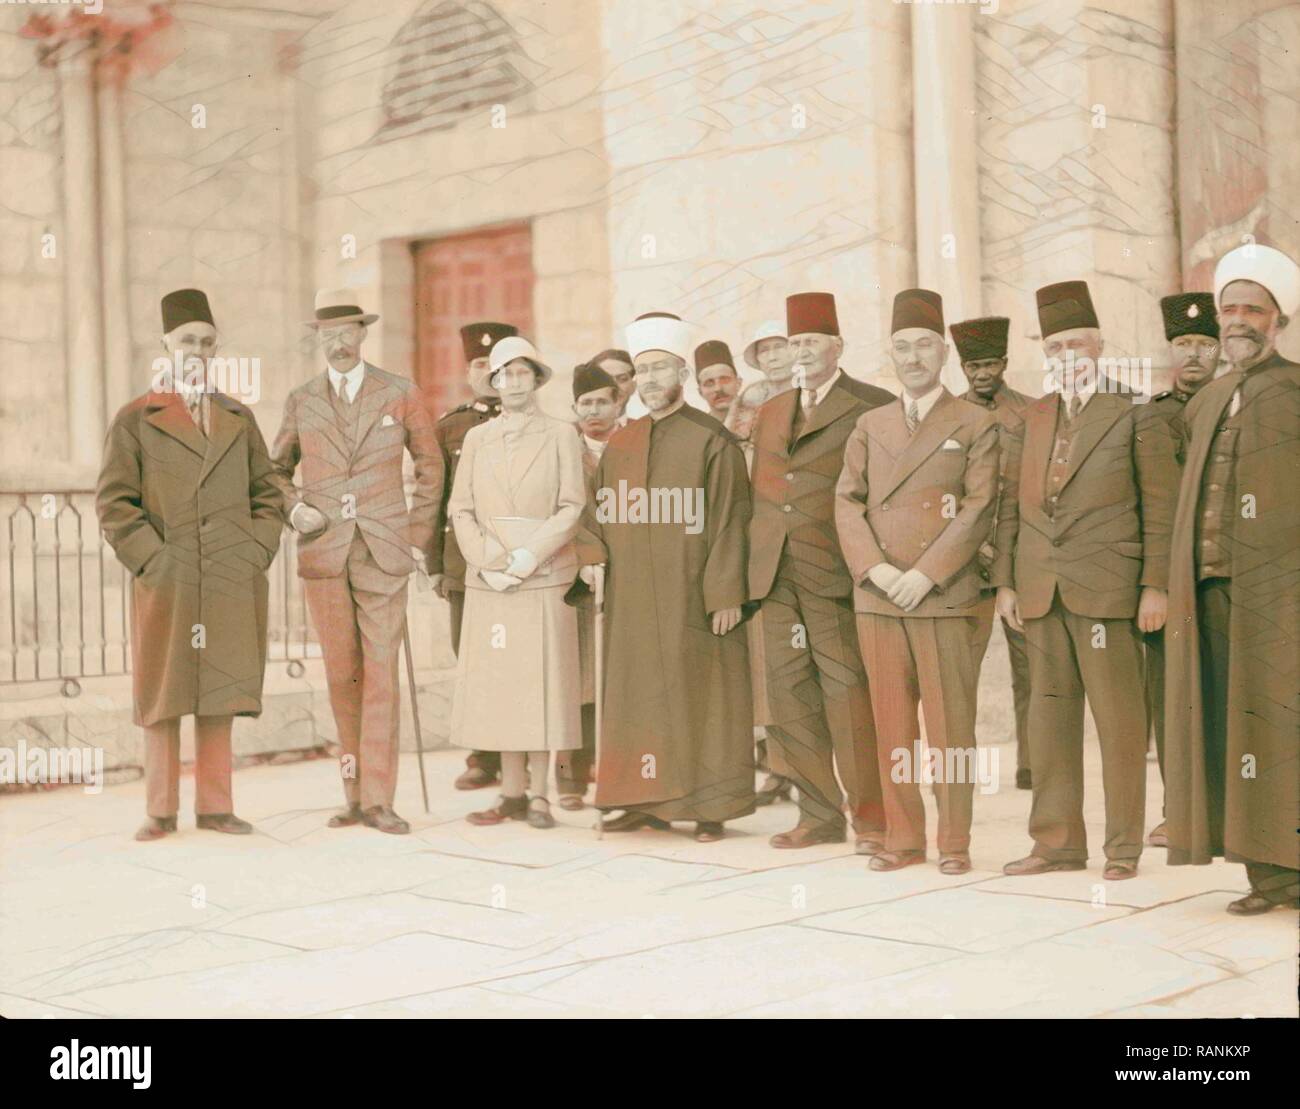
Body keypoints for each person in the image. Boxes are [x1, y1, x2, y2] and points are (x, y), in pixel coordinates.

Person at [994, 280, 1178, 880]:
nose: (1068, 357)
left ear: (1099, 348)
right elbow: (1009, 508)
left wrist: (1156, 587)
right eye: (1056, 347)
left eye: (1077, 344)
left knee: (1121, 725)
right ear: (1046, 356)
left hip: (1109, 594)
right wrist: (1007, 584)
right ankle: (1056, 843)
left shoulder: (1135, 411)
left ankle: (1122, 847)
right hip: (1041, 593)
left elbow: (1161, 508)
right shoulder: (1031, 417)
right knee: (1048, 725)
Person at [97, 288, 283, 841]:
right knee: (162, 692)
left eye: (206, 342)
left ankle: (216, 806)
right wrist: (152, 561)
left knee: (220, 687)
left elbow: (267, 494)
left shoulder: (238, 417)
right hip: (169, 577)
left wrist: (255, 552)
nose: (196, 351)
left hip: (229, 575)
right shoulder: (136, 418)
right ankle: (159, 809)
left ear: (215, 349)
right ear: (166, 346)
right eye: (186, 341)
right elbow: (114, 504)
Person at [570, 311, 755, 843]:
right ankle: (640, 800)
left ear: (680, 374)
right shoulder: (624, 443)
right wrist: (591, 554)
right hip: (630, 597)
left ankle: (707, 806)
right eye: (642, 370)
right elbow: (596, 513)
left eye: (660, 369)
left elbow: (730, 520)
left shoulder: (711, 440)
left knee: (700, 695)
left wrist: (725, 595)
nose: (649, 380)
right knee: (639, 696)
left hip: (691, 595)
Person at [835, 289, 1000, 874]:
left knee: (950, 728)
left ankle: (954, 843)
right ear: (891, 354)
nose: (913, 357)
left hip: (944, 596)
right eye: (902, 347)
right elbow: (845, 502)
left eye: (925, 346)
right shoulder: (869, 423)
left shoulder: (976, 422)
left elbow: (980, 507)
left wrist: (926, 574)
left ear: (944, 352)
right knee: (892, 725)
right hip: (879, 598)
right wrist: (877, 570)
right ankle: (903, 840)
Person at [270, 289, 443, 835]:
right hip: (325, 553)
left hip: (383, 551)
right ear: (318, 340)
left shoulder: (400, 392)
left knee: (380, 675)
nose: (338, 343)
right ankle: (351, 792)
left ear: (363, 335)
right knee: (342, 674)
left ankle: (379, 799)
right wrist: (295, 510)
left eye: (346, 333)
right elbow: (274, 471)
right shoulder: (301, 399)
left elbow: (431, 466)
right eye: (327, 335)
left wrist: (414, 535)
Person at [1164, 244, 1300, 915]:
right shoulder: (1208, 398)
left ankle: (1290, 869)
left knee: (1280, 730)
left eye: (1254, 309)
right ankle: (1263, 874)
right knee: (1231, 732)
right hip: (1212, 592)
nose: (1239, 320)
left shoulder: (1296, 389)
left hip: (1281, 599)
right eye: (1231, 309)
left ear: (1278, 320)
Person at [748, 292, 893, 852]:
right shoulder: (770, 411)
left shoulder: (870, 404)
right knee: (788, 698)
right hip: (776, 577)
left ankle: (872, 818)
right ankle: (818, 814)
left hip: (837, 574)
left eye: (812, 341)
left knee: (847, 695)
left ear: (838, 347)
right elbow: (760, 493)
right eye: (795, 343)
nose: (802, 351)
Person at [447, 337, 587, 830]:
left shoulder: (560, 435)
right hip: (491, 578)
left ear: (537, 379)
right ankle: (508, 793)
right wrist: (487, 560)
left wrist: (527, 557)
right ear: (494, 383)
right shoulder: (479, 439)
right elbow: (459, 506)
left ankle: (540, 795)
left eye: (522, 373)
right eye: (503, 375)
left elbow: (572, 505)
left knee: (541, 682)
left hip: (542, 573)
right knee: (502, 685)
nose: (512, 383)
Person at [1142, 292, 1220, 849]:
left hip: (1225, 576)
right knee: (1172, 698)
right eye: (1183, 344)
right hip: (1170, 582)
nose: (1193, 355)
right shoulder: (1150, 416)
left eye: (1205, 344)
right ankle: (1179, 811)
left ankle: (1232, 812)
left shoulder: (1239, 406)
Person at [951, 315, 1035, 791]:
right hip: (966, 559)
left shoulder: (1031, 412)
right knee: (959, 671)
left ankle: (1033, 763)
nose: (981, 374)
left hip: (1020, 557)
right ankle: (959, 772)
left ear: (1004, 362)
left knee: (1030, 666)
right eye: (972, 366)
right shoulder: (947, 414)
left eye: (989, 364)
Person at [432, 321, 515, 791]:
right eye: (481, 364)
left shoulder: (535, 425)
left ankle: (522, 751)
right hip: (466, 567)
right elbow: (436, 498)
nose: (491, 372)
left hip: (522, 564)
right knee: (474, 662)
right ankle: (483, 756)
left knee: (521, 658)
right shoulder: (451, 427)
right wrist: (436, 566)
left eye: (499, 363)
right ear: (469, 373)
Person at [556, 361, 622, 810]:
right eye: (586, 403)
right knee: (577, 678)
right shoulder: (563, 448)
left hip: (629, 574)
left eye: (602, 401)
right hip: (576, 576)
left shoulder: (635, 444)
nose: (594, 411)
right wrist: (585, 556)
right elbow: (562, 507)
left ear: (619, 404)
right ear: (574, 408)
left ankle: (618, 775)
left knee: (619, 677)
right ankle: (570, 778)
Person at [727, 381, 790, 806]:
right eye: (748, 411)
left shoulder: (780, 455)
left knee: (781, 674)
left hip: (777, 572)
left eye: (762, 411)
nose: (754, 419)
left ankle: (786, 769)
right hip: (740, 574)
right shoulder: (730, 455)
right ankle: (761, 767)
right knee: (751, 676)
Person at [742, 319, 796, 402]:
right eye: (764, 351)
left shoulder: (814, 390)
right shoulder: (752, 400)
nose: (772, 357)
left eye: (779, 347)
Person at [693, 339, 742, 420]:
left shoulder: (761, 419)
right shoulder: (697, 430)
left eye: (725, 380)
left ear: (738, 383)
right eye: (709, 383)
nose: (718, 388)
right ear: (700, 392)